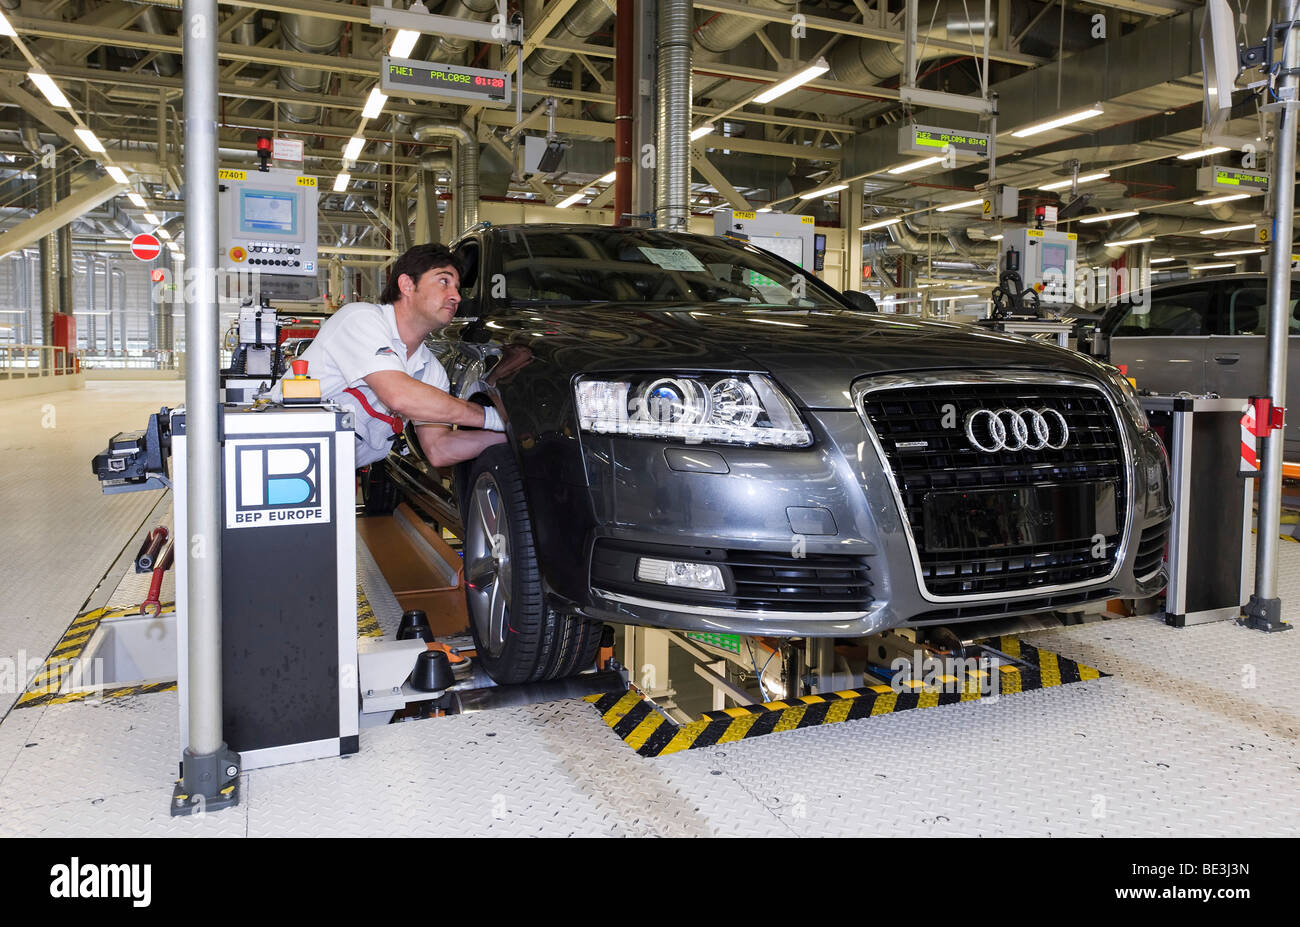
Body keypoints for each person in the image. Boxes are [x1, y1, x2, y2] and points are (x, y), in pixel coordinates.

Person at [290, 242, 506, 468]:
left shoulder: (429, 370)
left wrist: (512, 436)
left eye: (457, 287)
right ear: (406, 284)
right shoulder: (361, 319)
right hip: (276, 455)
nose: (456, 296)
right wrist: (495, 418)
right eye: (444, 281)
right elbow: (399, 396)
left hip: (326, 475)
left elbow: (439, 449)